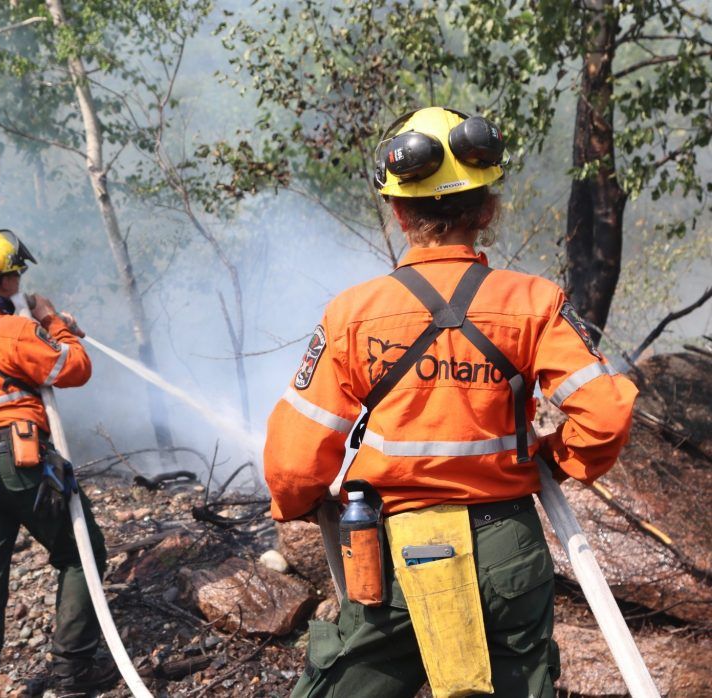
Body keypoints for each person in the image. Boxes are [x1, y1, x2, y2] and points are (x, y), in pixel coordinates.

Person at [264, 107, 638, 697]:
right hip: (506, 547)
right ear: (488, 208)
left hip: (390, 554)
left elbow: (293, 458)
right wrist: (561, 457)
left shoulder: (353, 314)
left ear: (397, 211)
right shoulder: (534, 301)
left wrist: (300, 502)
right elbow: (606, 414)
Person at [0, 229, 116, 698]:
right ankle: (72, 671)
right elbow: (75, 368)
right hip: (18, 463)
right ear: (3, 282)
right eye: (16, 274)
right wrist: (53, 322)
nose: (20, 281)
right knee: (82, 554)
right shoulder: (18, 330)